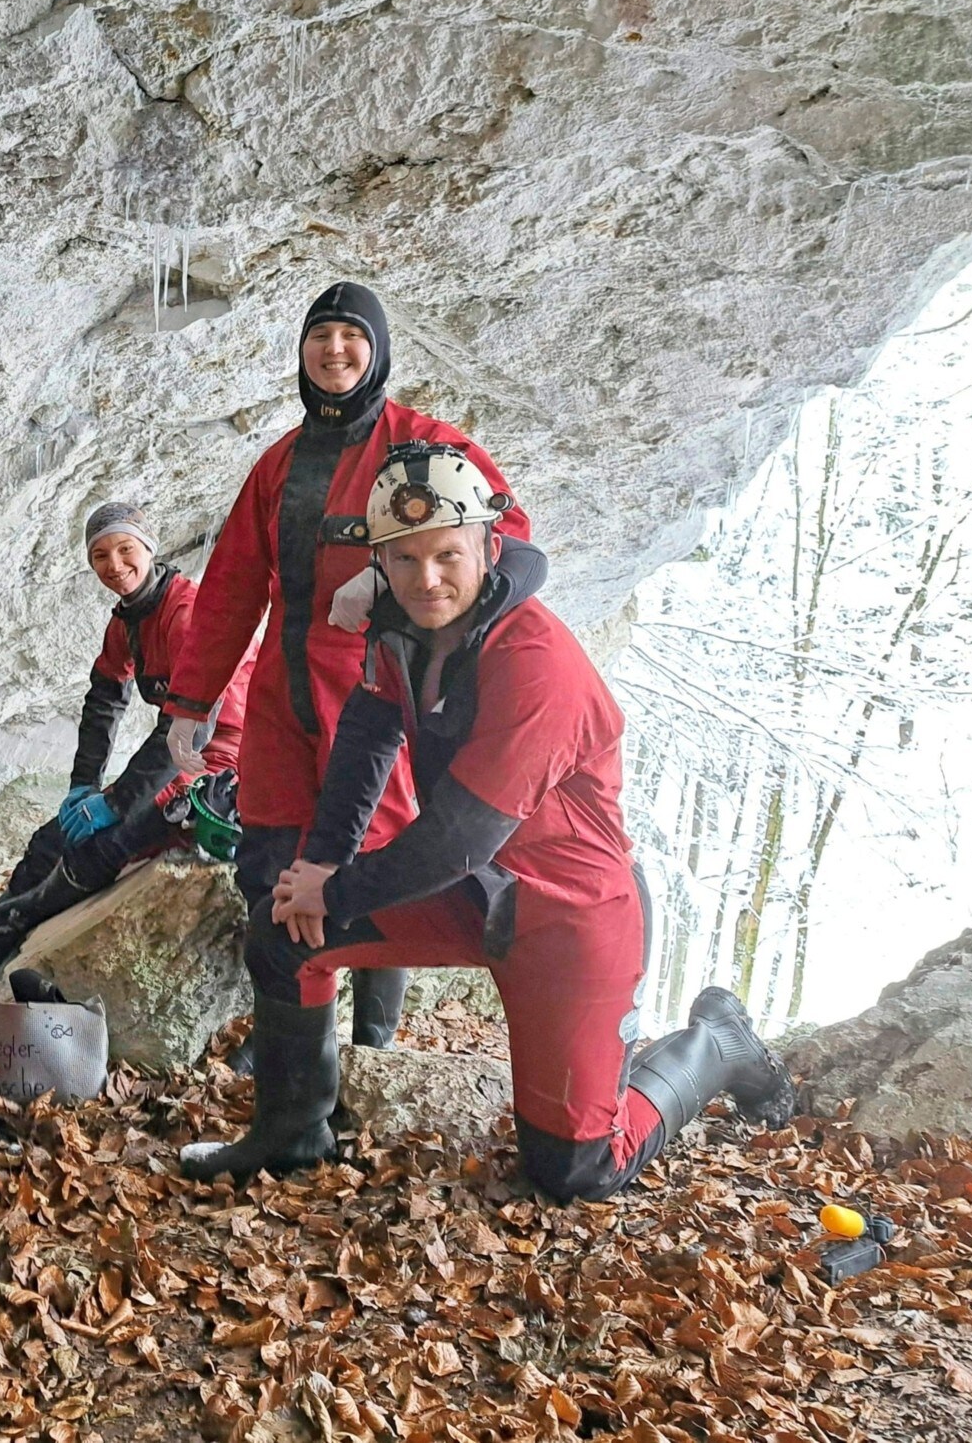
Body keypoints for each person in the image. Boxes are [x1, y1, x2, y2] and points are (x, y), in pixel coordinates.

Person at [180, 443, 795, 1196]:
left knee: (575, 1171)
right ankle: (291, 1134)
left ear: (488, 546)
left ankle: (715, 1044)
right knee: (284, 937)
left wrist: (334, 890)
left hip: (567, 914)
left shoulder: (537, 665)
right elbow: (368, 740)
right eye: (402, 559)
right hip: (472, 893)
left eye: (446, 555)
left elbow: (458, 837)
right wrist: (321, 862)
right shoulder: (401, 626)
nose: (425, 578)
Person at [164, 281, 530, 1052]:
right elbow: (230, 585)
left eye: (352, 337)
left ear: (379, 350)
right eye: (320, 336)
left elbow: (513, 543)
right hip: (279, 695)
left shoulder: (425, 445)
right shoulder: (279, 464)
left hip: (374, 690)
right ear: (301, 354)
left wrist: (394, 587)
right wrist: (191, 699)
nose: (335, 351)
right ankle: (297, 1049)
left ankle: (373, 1045)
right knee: (272, 859)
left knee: (368, 865)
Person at [0, 501, 255, 983]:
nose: (115, 566)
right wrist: (83, 786)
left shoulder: (186, 613)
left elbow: (194, 729)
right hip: (185, 750)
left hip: (224, 762)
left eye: (126, 549)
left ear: (149, 549)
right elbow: (104, 699)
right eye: (100, 555)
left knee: (101, 850)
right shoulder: (129, 620)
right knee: (50, 842)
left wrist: (116, 803)